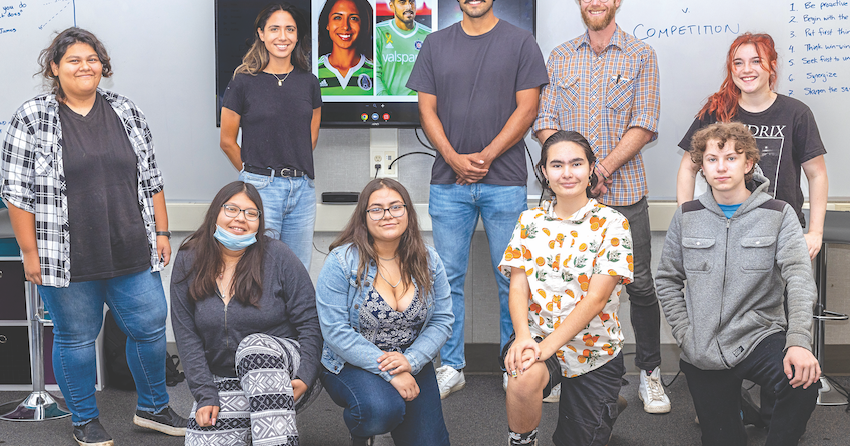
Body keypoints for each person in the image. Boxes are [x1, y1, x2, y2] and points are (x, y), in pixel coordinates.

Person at [0, 27, 186, 446]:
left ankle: (153, 408)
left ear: (103, 65)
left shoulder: (127, 110)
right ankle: (85, 419)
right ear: (55, 67)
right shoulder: (31, 117)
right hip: (65, 256)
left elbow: (151, 179)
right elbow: (16, 194)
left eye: (92, 59)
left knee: (152, 328)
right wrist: (30, 254)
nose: (85, 67)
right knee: (76, 338)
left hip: (130, 248)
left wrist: (161, 230)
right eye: (73, 60)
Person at [406, 0, 549, 399]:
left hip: (505, 182)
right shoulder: (434, 44)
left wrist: (485, 156)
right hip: (447, 183)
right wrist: (453, 157)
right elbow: (426, 110)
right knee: (446, 277)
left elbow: (528, 108)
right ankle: (451, 365)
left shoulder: (521, 42)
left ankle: (514, 362)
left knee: (512, 278)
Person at [533, 0, 668, 411]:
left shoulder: (641, 54)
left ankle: (649, 374)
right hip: (568, 199)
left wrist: (599, 168)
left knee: (640, 285)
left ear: (616, 2)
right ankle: (558, 368)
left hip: (624, 194)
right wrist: (576, 170)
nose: (595, 2)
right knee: (562, 284)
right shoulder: (559, 57)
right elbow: (545, 122)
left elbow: (645, 122)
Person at [657, 122, 821, 445]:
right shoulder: (687, 216)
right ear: (701, 167)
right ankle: (739, 408)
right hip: (703, 347)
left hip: (759, 335)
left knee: (803, 382)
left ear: (748, 164)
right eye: (712, 159)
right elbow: (666, 280)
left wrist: (799, 341)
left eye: (731, 158)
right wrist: (685, 335)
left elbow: (800, 279)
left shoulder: (778, 213)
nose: (721, 167)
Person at [501, 131, 633, 446]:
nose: (567, 173)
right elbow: (519, 287)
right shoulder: (529, 222)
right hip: (537, 336)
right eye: (557, 165)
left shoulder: (613, 224)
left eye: (576, 163)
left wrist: (547, 348)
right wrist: (524, 340)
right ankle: (523, 441)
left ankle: (608, 402)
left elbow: (597, 299)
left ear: (591, 170)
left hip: (595, 351)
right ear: (544, 173)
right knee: (523, 374)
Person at [171, 181, 322, 446]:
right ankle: (255, 425)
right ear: (216, 212)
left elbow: (310, 321)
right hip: (226, 378)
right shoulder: (189, 259)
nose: (240, 218)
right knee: (201, 441)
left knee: (253, 347)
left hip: (284, 369)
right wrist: (205, 393)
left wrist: (306, 375)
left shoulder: (278, 256)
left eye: (251, 213)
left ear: (259, 221)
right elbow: (186, 334)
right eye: (232, 209)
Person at [316, 179, 453, 445]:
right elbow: (335, 331)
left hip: (410, 360)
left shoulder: (429, 260)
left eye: (395, 207)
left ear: (408, 212)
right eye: (376, 209)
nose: (387, 215)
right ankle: (363, 433)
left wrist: (411, 361)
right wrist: (391, 372)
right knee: (380, 411)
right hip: (352, 361)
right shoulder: (341, 262)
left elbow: (442, 320)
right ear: (363, 217)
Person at [676, 32, 828, 261]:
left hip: (781, 232)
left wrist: (815, 232)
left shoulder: (797, 113)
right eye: (739, 63)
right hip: (723, 231)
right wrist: (687, 222)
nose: (746, 69)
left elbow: (817, 175)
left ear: (772, 66)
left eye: (756, 61)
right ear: (731, 69)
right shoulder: (716, 113)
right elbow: (688, 169)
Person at [220, 3, 322, 271]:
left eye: (290, 29)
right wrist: (253, 176)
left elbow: (310, 138)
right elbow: (227, 141)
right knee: (258, 271)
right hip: (260, 189)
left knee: (297, 273)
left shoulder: (309, 82)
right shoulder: (242, 82)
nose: (283, 36)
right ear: (261, 34)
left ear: (298, 36)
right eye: (274, 29)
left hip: (302, 191)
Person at [317, 0, 375, 95]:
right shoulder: (312, 70)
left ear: (362, 25)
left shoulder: (375, 72)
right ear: (327, 24)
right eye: (337, 17)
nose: (345, 27)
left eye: (353, 18)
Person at [375, 0, 431, 96]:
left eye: (412, 2)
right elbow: (374, 74)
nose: (409, 7)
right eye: (402, 2)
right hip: (387, 106)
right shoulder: (378, 31)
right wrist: (387, 100)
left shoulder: (429, 34)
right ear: (392, 6)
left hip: (417, 105)